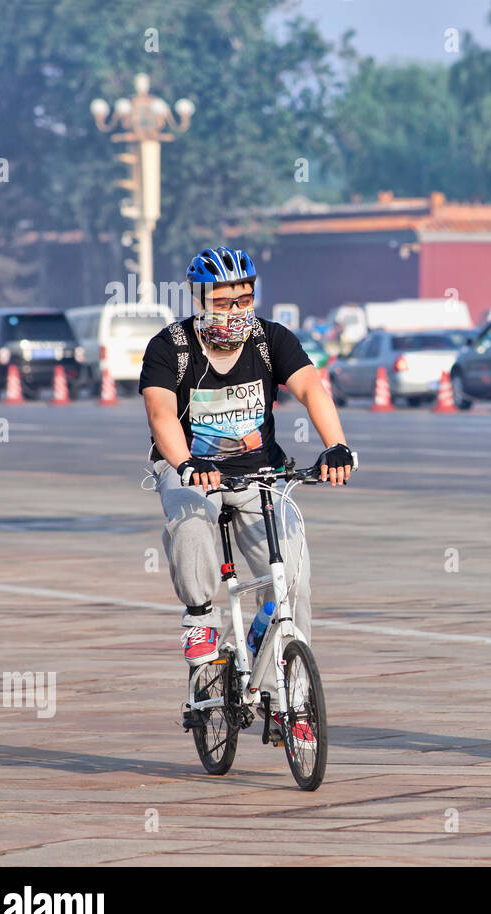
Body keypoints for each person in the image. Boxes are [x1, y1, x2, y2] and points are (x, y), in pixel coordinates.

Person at [138, 246, 355, 698]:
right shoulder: (169, 347)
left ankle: (289, 693)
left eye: (244, 299)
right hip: (193, 470)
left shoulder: (272, 339)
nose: (235, 311)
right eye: (223, 302)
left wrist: (336, 446)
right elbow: (160, 415)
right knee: (192, 518)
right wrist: (185, 463)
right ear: (199, 300)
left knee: (294, 580)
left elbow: (312, 389)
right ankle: (200, 619)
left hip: (261, 475)